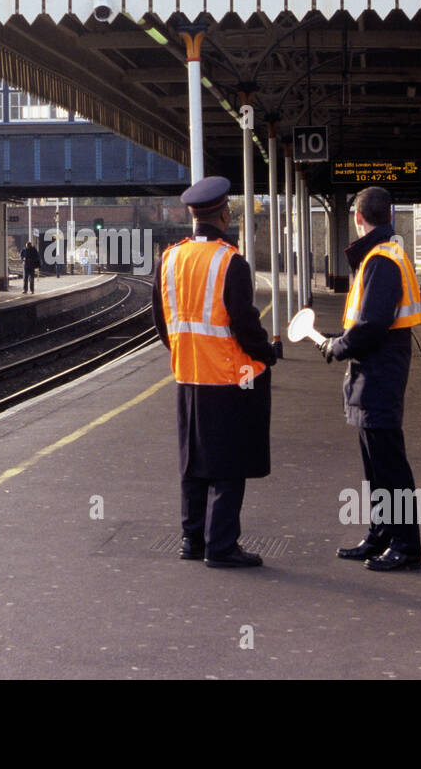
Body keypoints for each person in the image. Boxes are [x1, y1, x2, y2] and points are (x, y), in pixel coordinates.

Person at [152, 176, 276, 569]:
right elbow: (244, 323)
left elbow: (160, 322)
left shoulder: (169, 259)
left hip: (187, 376)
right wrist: (268, 353)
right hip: (227, 379)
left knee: (192, 461)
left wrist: (184, 353)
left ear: (193, 216)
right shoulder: (230, 261)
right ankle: (221, 546)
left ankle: (192, 541)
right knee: (228, 463)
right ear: (224, 214)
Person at [319, 186, 421, 572]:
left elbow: (374, 323)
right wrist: (343, 345)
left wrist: (339, 347)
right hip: (374, 371)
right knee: (375, 463)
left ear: (358, 218)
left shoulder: (381, 260)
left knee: (389, 464)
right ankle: (381, 533)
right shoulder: (383, 255)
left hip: (380, 371)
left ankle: (405, 544)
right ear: (390, 217)